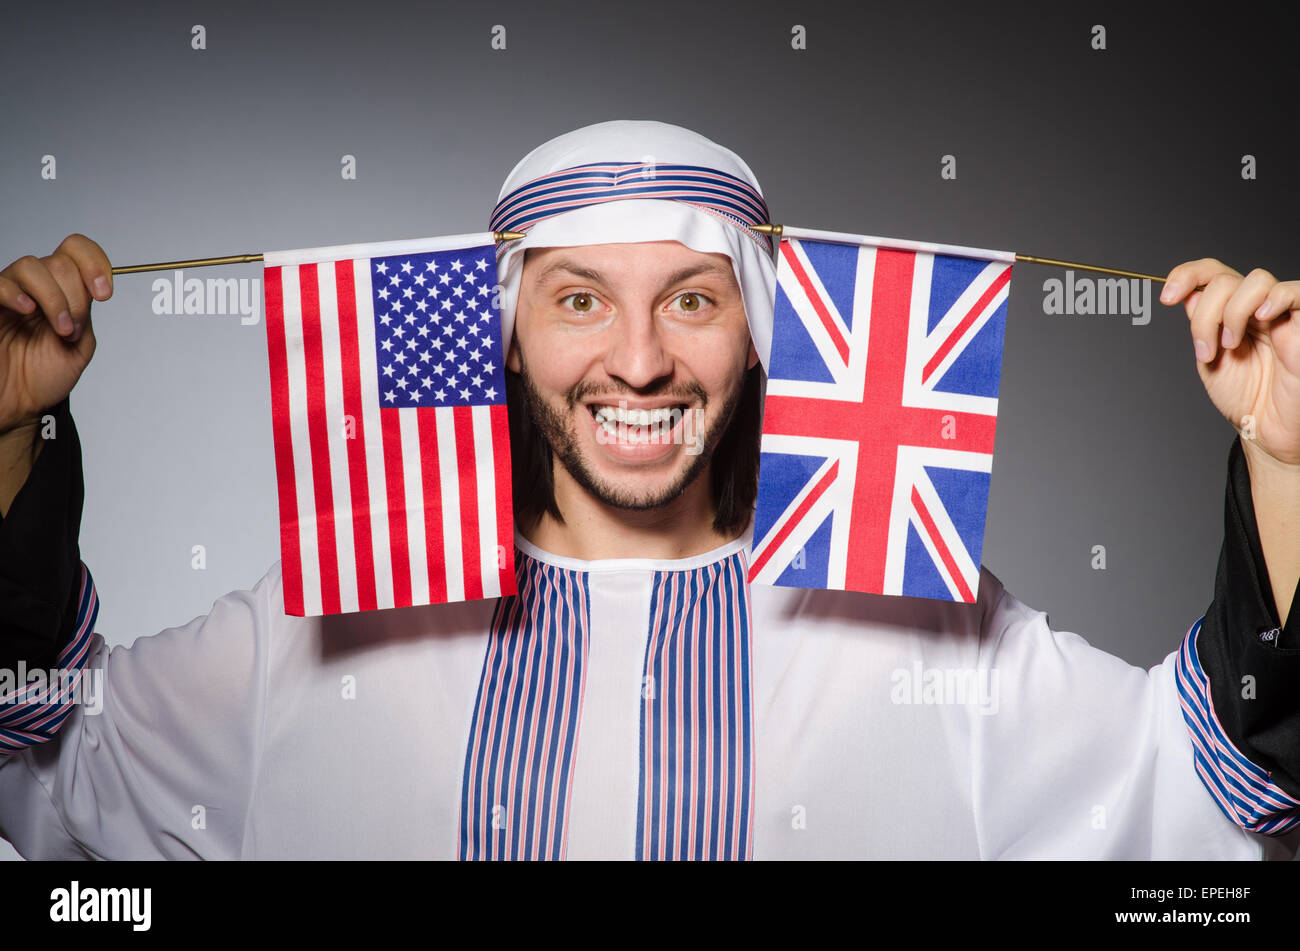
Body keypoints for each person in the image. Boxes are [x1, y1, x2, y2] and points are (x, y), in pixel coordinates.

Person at [0, 120, 1297, 860]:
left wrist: (1284, 458)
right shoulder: (318, 628)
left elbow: (1215, 780)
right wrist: (14, 428)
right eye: (578, 301)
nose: (636, 361)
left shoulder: (920, 630)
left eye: (691, 299)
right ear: (507, 337)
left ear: (760, 332)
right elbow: (47, 748)